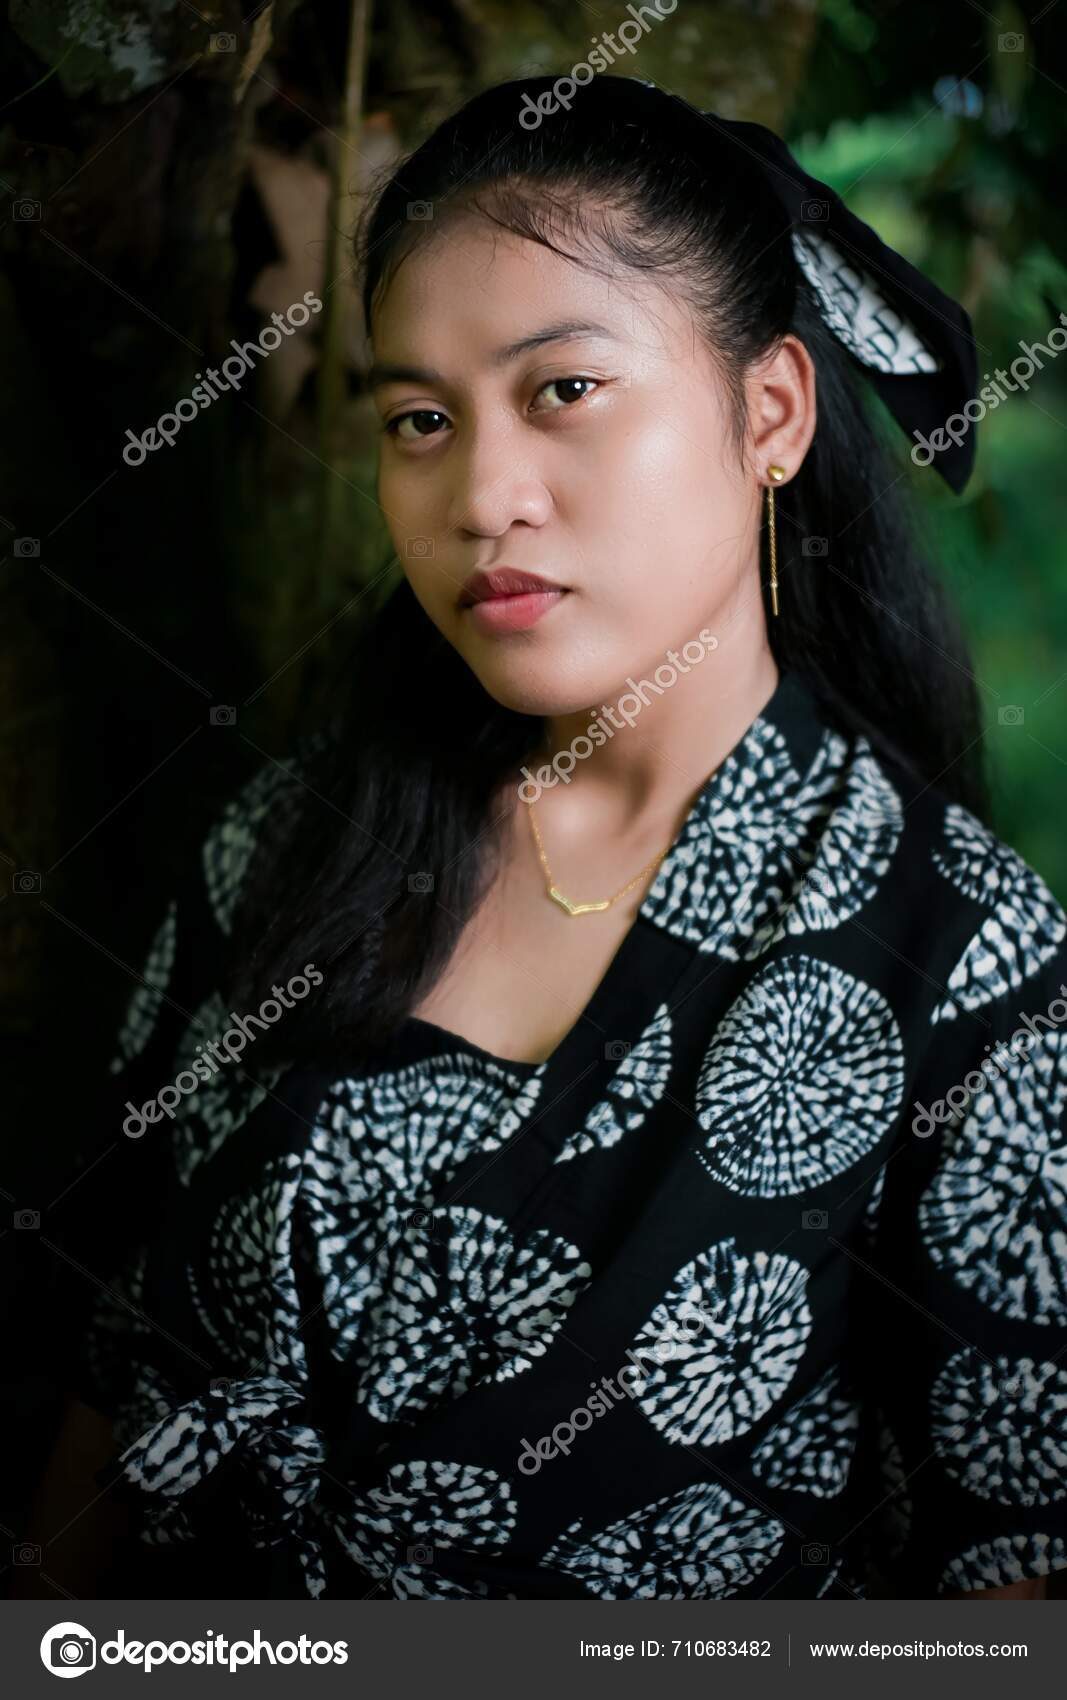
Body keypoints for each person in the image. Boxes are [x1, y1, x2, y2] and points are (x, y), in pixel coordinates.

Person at [20, 74, 1065, 1602]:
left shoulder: (958, 961)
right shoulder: (289, 845)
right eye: (422, 421)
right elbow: (98, 1387)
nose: (483, 495)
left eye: (564, 390)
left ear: (769, 410)